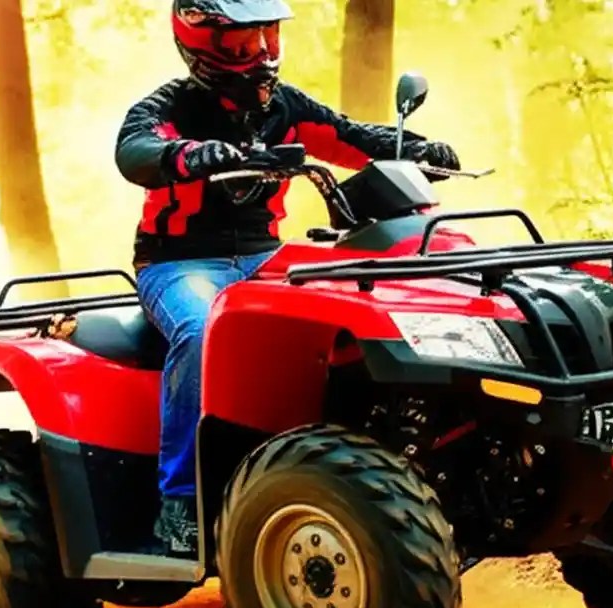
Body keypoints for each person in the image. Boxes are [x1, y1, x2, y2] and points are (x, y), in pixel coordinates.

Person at [115, 0, 461, 558]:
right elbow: (135, 151)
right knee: (203, 331)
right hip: (179, 265)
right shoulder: (171, 106)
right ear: (200, 41)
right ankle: (178, 503)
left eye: (267, 36)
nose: (261, 52)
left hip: (265, 259)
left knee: (350, 307)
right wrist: (188, 154)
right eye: (242, 42)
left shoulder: (284, 106)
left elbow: (351, 137)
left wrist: (416, 149)